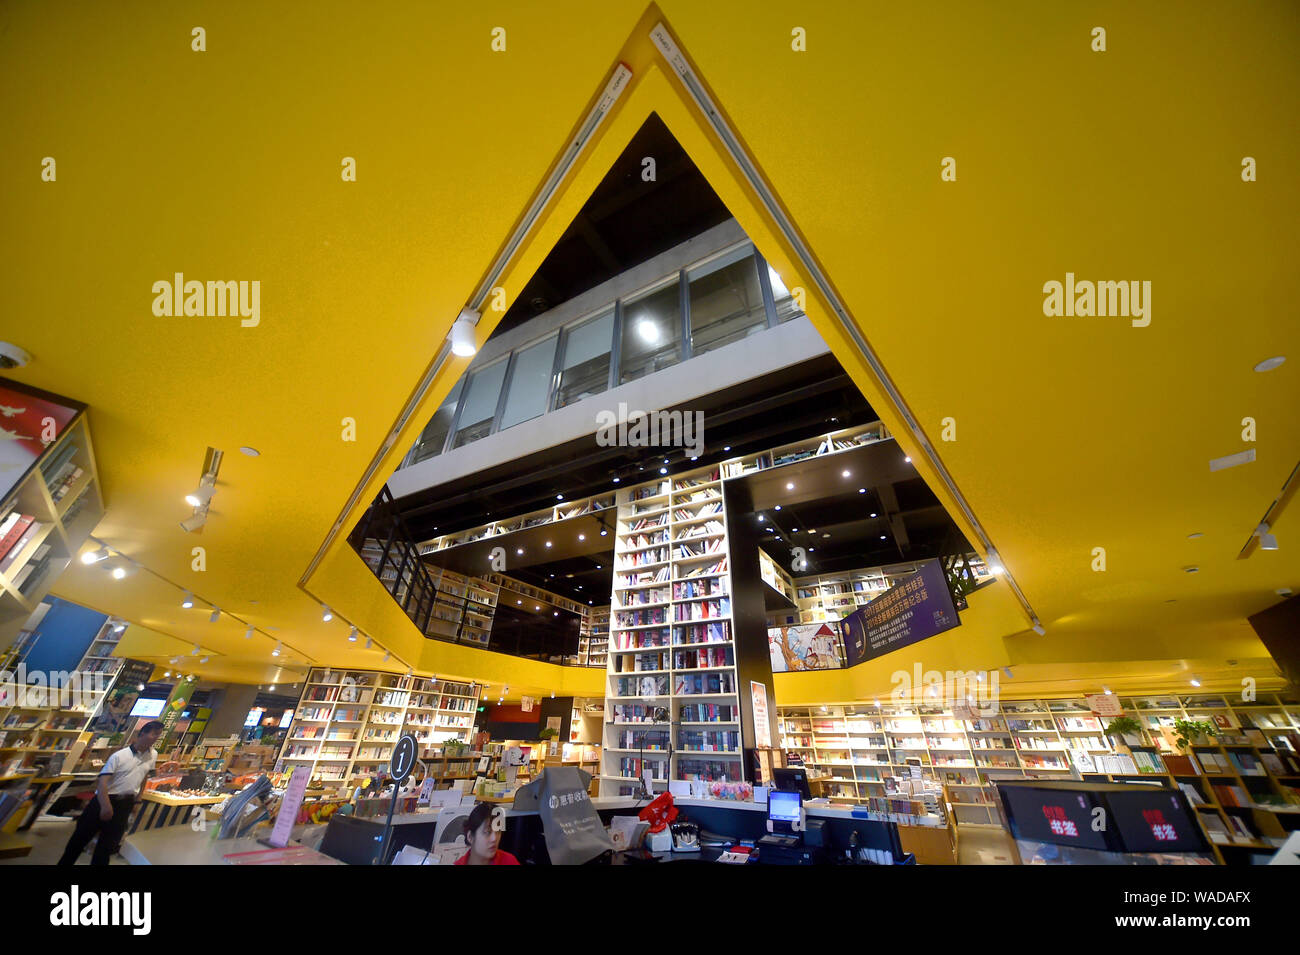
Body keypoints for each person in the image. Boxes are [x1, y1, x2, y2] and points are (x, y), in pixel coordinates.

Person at [58, 720, 163, 866]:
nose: (156, 737)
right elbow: (102, 782)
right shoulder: (120, 756)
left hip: (125, 804)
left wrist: (138, 799)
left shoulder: (153, 755)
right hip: (104, 800)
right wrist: (106, 805)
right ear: (142, 733)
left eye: (159, 734)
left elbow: (144, 776)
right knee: (78, 841)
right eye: (154, 733)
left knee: (107, 847)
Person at [453, 801, 520, 865]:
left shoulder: (509, 861)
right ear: (470, 837)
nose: (494, 838)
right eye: (487, 832)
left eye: (498, 831)